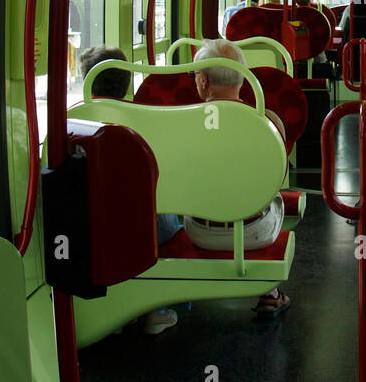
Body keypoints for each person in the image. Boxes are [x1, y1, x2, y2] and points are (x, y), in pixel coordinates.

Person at [183, 39, 293, 320]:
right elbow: (274, 181)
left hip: (197, 232)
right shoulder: (268, 122)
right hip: (254, 233)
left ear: (204, 81)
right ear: (243, 79)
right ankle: (269, 294)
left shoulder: (181, 125)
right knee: (276, 198)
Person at [79, 44, 181, 334]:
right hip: (143, 228)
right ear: (128, 81)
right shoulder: (144, 119)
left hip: (86, 226)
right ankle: (154, 308)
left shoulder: (72, 118)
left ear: (87, 78)